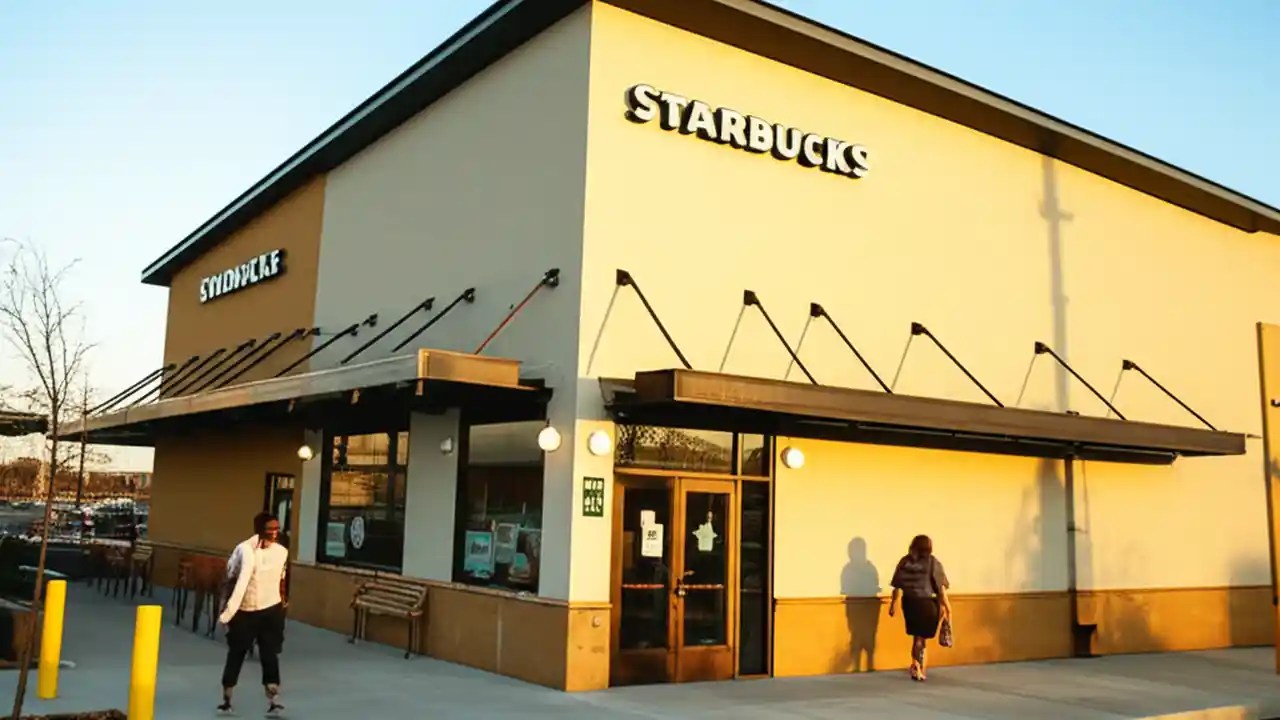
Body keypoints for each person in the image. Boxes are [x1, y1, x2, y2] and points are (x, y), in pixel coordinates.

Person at [217, 512, 289, 717]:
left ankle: (273, 700)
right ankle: (227, 699)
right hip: (245, 611)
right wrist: (227, 613)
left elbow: (282, 577)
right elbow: (233, 575)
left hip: (271, 609)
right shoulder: (244, 550)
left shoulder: (281, 552)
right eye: (270, 529)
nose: (275, 532)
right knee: (237, 652)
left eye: (277, 528)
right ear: (259, 529)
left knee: (270, 654)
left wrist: (283, 603)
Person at [888, 534, 951, 682]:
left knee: (917, 637)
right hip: (927, 603)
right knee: (922, 639)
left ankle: (916, 665)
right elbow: (941, 588)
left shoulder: (905, 562)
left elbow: (897, 586)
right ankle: (919, 668)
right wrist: (947, 608)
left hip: (910, 603)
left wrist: (893, 604)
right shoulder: (932, 562)